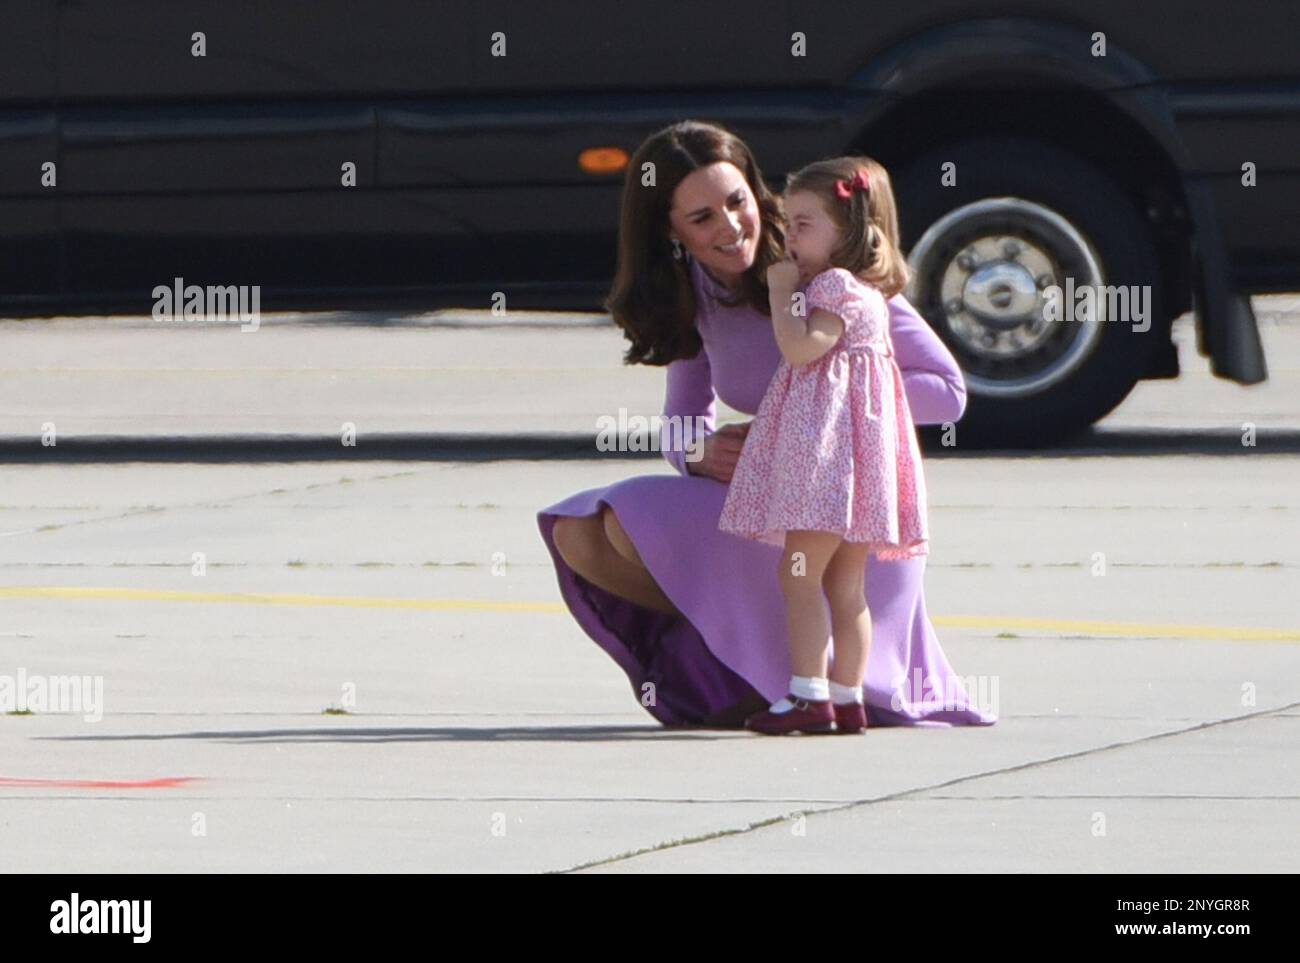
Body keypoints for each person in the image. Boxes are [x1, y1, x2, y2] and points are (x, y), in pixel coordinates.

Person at [536, 120, 996, 731]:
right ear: (670, 233)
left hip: (845, 506)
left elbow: (947, 392)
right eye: (701, 219)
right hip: (773, 498)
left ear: (759, 193)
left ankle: (823, 682)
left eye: (738, 202)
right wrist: (698, 456)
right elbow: (681, 425)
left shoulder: (824, 263)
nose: (730, 227)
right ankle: (761, 677)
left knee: (628, 523)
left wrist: (820, 417)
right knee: (583, 535)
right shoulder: (691, 294)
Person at [717, 156, 927, 735]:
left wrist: (784, 292)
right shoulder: (870, 295)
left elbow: (802, 350)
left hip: (828, 471)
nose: (789, 238)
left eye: (804, 224)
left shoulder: (833, 286)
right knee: (845, 585)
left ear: (848, 230)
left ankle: (810, 696)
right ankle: (848, 695)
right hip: (859, 474)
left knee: (799, 575)